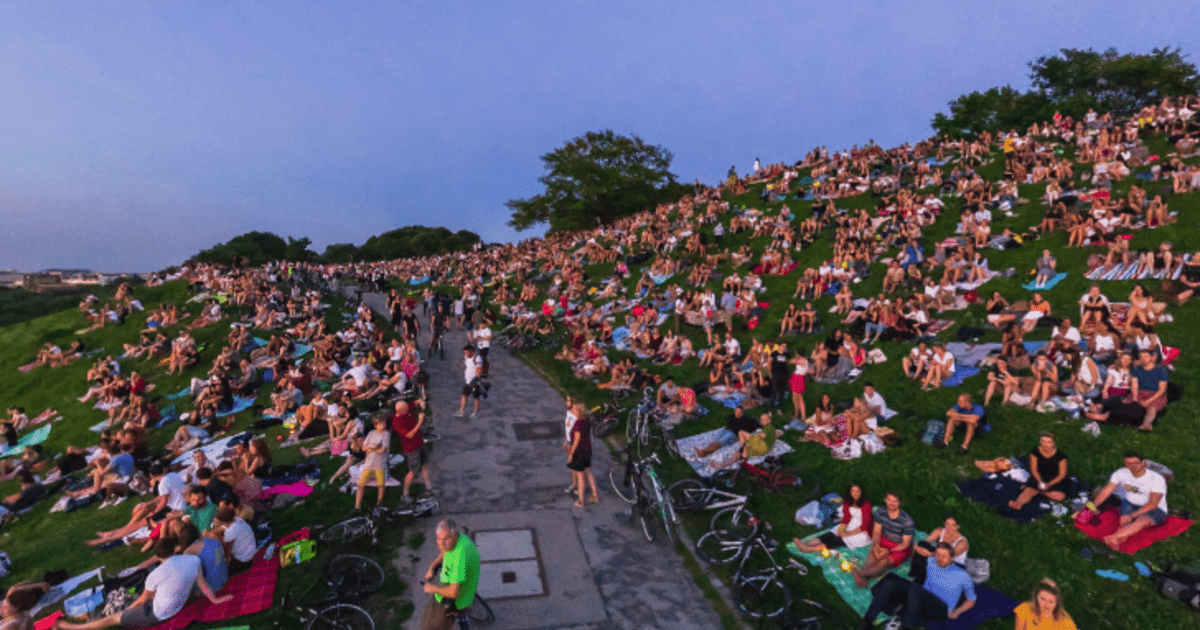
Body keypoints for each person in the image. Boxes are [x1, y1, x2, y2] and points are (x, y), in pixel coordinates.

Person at [53, 540, 231, 630]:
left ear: (157, 554)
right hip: (175, 604)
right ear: (175, 549)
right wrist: (215, 600)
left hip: (159, 612)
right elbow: (203, 583)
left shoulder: (156, 574)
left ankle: (73, 627)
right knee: (129, 593)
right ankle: (82, 616)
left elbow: (141, 601)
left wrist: (127, 611)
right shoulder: (193, 560)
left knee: (113, 617)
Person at [859, 544, 976, 630]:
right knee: (891, 580)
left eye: (944, 556)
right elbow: (918, 548)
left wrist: (957, 611)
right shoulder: (932, 560)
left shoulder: (962, 575)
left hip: (940, 606)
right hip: (920, 597)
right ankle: (867, 622)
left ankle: (905, 627)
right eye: (938, 555)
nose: (940, 558)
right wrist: (926, 551)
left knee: (916, 588)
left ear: (952, 558)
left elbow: (972, 598)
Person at [1081, 451, 1168, 551]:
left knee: (1142, 521)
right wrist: (1093, 506)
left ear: (1143, 463)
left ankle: (1112, 538)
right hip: (1129, 503)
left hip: (1154, 508)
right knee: (1123, 522)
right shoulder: (1121, 473)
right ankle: (1114, 541)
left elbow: (1153, 504)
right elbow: (1106, 491)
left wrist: (1131, 516)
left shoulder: (1157, 479)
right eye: (1128, 463)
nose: (1131, 466)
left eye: (1135, 463)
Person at [420, 518, 481, 630]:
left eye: (446, 539)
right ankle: (463, 620)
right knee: (462, 609)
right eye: (439, 539)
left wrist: (432, 588)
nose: (442, 543)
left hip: (452, 599)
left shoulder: (460, 558)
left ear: (454, 535)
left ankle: (459, 616)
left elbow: (453, 593)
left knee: (430, 626)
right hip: (465, 587)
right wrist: (432, 567)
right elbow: (445, 551)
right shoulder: (459, 538)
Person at [852, 493, 914, 588]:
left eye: (895, 501)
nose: (891, 503)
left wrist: (888, 551)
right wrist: (875, 546)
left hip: (900, 545)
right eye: (889, 500)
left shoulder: (907, 520)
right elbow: (877, 531)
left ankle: (859, 574)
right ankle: (864, 578)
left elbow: (905, 543)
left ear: (899, 503)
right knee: (873, 555)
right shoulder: (880, 512)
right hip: (885, 539)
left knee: (884, 561)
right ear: (885, 500)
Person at [792, 485, 872, 553]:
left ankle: (808, 548)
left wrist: (846, 533)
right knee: (825, 537)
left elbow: (863, 528)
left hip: (857, 535)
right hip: (848, 528)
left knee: (832, 542)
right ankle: (805, 545)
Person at [1009, 432, 1069, 511]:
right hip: (1039, 477)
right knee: (1029, 491)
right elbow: (1034, 469)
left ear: (1054, 443)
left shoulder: (1061, 456)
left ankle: (1040, 493)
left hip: (1053, 479)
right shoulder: (1035, 452)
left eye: (1049, 442)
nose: (1046, 444)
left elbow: (1062, 474)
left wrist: (1049, 484)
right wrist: (1040, 481)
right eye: (1043, 441)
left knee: (1061, 496)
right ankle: (1018, 504)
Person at [910, 516, 969, 584]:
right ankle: (914, 573)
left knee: (928, 560)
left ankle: (921, 580)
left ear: (958, 527)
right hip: (940, 556)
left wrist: (929, 554)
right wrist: (917, 547)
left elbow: (949, 556)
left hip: (953, 564)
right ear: (944, 523)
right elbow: (926, 540)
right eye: (947, 524)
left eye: (953, 525)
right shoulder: (940, 531)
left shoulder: (962, 542)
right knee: (922, 544)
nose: (949, 528)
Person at [393, 400, 432, 502]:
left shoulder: (406, 407)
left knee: (425, 465)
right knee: (413, 470)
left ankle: (428, 488)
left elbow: (416, 402)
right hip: (411, 448)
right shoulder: (397, 422)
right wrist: (420, 421)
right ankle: (405, 494)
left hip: (420, 442)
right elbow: (409, 435)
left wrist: (421, 402)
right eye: (406, 409)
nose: (409, 409)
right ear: (400, 411)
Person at [692, 407, 759, 461]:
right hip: (725, 431)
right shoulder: (732, 417)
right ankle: (704, 453)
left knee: (718, 443)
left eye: (739, 411)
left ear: (742, 412)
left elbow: (751, 429)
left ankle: (703, 452)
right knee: (715, 442)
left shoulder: (747, 420)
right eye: (736, 411)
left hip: (733, 434)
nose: (737, 413)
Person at [566, 401, 599, 508]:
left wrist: (571, 454)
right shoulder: (586, 420)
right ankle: (595, 496)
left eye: (575, 409)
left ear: (579, 411)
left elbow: (577, 440)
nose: (573, 411)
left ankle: (581, 501)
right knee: (588, 471)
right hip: (587, 450)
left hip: (579, 451)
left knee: (580, 476)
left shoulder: (578, 423)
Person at [355, 414, 391, 511]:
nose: (383, 425)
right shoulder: (371, 433)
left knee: (381, 485)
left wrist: (371, 449)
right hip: (369, 464)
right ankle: (357, 507)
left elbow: (382, 450)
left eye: (384, 423)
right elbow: (363, 448)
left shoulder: (386, 434)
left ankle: (379, 503)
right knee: (360, 484)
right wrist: (372, 447)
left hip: (380, 464)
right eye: (381, 424)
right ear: (376, 425)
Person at [1129, 349, 1169, 430]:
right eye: (1141, 357)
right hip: (1140, 392)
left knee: (1152, 408)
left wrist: (1149, 400)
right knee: (1126, 403)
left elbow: (1162, 389)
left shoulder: (1161, 370)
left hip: (1155, 394)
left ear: (1151, 358)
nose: (1143, 359)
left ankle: (1146, 424)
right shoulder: (1136, 369)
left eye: (1146, 356)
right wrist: (1135, 398)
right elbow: (1134, 385)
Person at [455, 345, 483, 419]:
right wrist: (461, 366)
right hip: (467, 381)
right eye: (464, 353)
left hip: (474, 382)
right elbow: (466, 364)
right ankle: (461, 411)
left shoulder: (477, 358)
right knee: (464, 395)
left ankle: (475, 413)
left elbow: (479, 370)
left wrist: (476, 381)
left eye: (466, 352)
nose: (465, 354)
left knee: (476, 398)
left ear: (471, 351)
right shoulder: (466, 357)